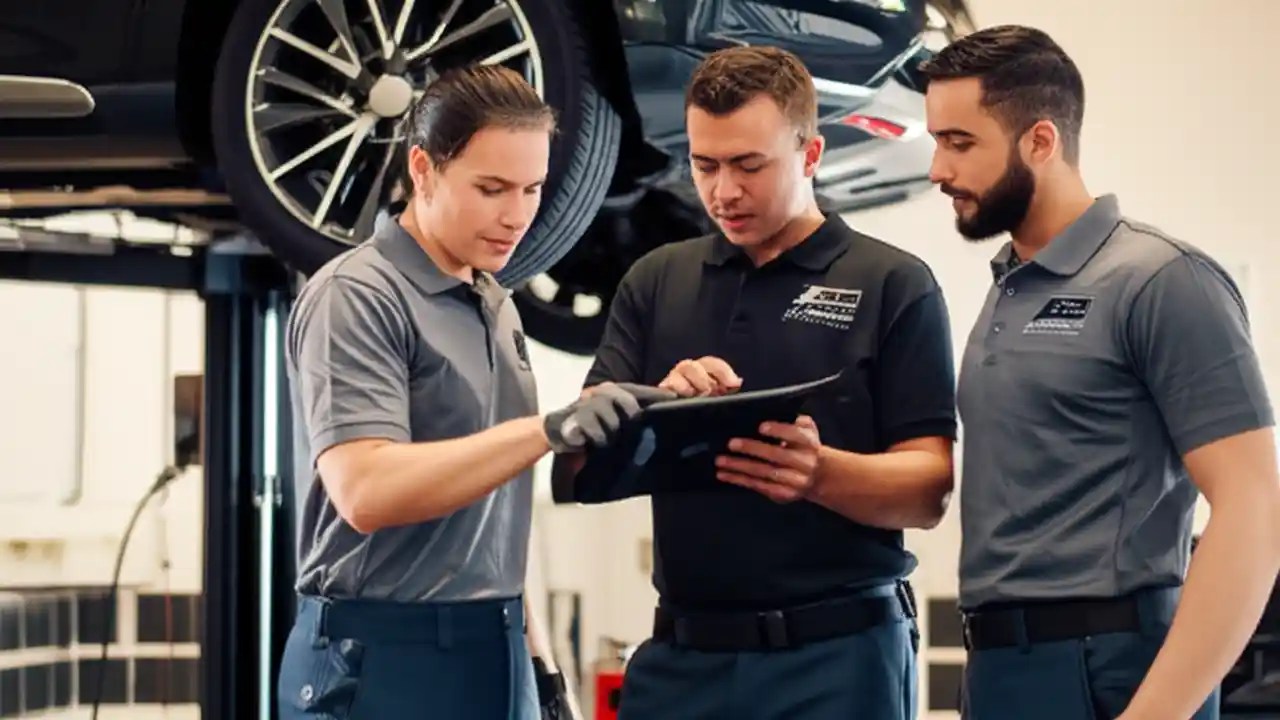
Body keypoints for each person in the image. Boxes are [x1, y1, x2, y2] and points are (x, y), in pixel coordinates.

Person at [553, 46, 958, 719]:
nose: (723, 192)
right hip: (682, 658)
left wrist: (820, 475)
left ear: (810, 153)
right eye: (704, 164)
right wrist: (653, 403)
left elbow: (929, 489)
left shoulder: (893, 283)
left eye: (749, 165)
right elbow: (580, 451)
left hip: (838, 659)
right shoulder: (656, 280)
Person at [278, 64, 671, 719]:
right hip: (379, 651)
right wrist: (547, 429)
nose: (516, 215)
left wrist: (543, 670)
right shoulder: (357, 296)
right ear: (423, 169)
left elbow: (498, 518)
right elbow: (366, 492)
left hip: (496, 642)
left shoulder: (493, 300)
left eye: (532, 189)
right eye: (491, 189)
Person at [920, 24, 1280, 720]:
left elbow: (1254, 511)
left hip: (1108, 666)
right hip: (997, 666)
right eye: (936, 141)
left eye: (960, 143)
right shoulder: (1010, 285)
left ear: (1041, 142)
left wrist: (1158, 713)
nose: (938, 168)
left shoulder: (1162, 280)